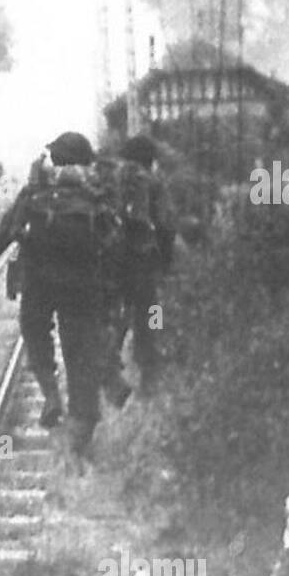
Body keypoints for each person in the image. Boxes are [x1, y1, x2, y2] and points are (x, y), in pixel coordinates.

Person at [0, 131, 123, 456]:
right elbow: (114, 242)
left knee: (36, 335)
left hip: (39, 281)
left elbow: (4, 234)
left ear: (55, 158)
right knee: (81, 355)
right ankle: (81, 433)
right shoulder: (95, 190)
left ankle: (49, 392)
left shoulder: (36, 188)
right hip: (82, 284)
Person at [113, 135, 175, 396]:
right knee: (151, 313)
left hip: (114, 260)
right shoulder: (153, 182)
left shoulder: (111, 179)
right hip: (144, 260)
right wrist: (165, 261)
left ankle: (109, 371)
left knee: (116, 315)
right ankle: (150, 374)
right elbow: (165, 224)